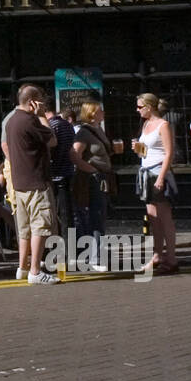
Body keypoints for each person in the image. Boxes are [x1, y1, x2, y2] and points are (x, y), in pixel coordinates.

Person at [4, 86, 60, 284]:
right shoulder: (30, 120)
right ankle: (35, 270)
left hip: (19, 183)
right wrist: (42, 115)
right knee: (40, 226)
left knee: (24, 228)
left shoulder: (11, 121)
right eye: (40, 100)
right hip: (36, 181)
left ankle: (23, 267)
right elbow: (52, 140)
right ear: (33, 102)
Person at [134, 93, 178, 274]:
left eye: (139, 106)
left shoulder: (163, 125)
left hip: (158, 172)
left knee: (164, 216)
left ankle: (172, 258)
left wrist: (161, 177)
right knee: (153, 216)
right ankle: (157, 254)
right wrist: (138, 149)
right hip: (146, 171)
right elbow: (145, 152)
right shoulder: (145, 125)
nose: (137, 110)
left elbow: (168, 152)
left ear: (149, 107)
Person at [70, 100, 113, 272]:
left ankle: (98, 255)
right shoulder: (83, 133)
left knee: (100, 215)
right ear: (92, 113)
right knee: (96, 216)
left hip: (103, 177)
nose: (103, 113)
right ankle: (95, 258)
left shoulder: (99, 130)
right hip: (92, 180)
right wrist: (92, 170)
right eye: (100, 110)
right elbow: (74, 155)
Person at [43, 102, 76, 238]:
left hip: (55, 176)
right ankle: (71, 250)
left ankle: (62, 250)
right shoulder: (67, 125)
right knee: (68, 214)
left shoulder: (50, 126)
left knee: (56, 216)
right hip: (68, 173)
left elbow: (50, 151)